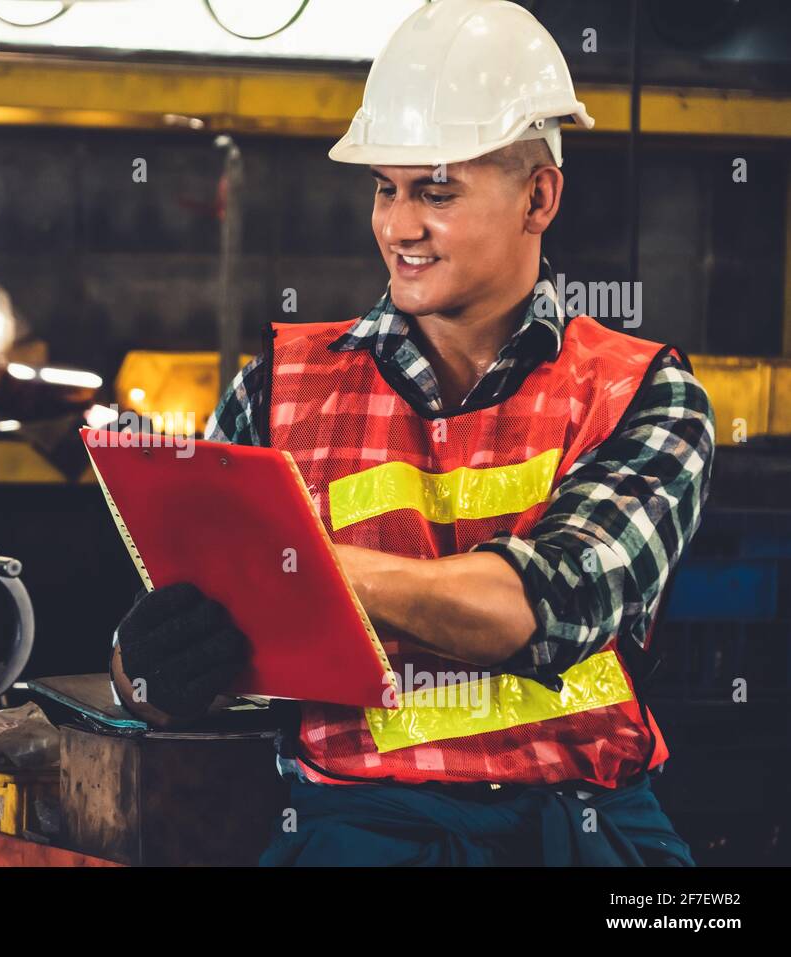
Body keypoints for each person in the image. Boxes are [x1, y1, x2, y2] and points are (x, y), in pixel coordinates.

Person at [108, 0, 715, 866]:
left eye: (436, 191)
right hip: (366, 832)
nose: (400, 227)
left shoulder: (640, 392)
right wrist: (149, 673)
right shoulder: (277, 392)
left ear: (538, 196)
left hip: (589, 829)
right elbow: (196, 651)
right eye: (385, 190)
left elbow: (550, 603)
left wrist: (301, 563)